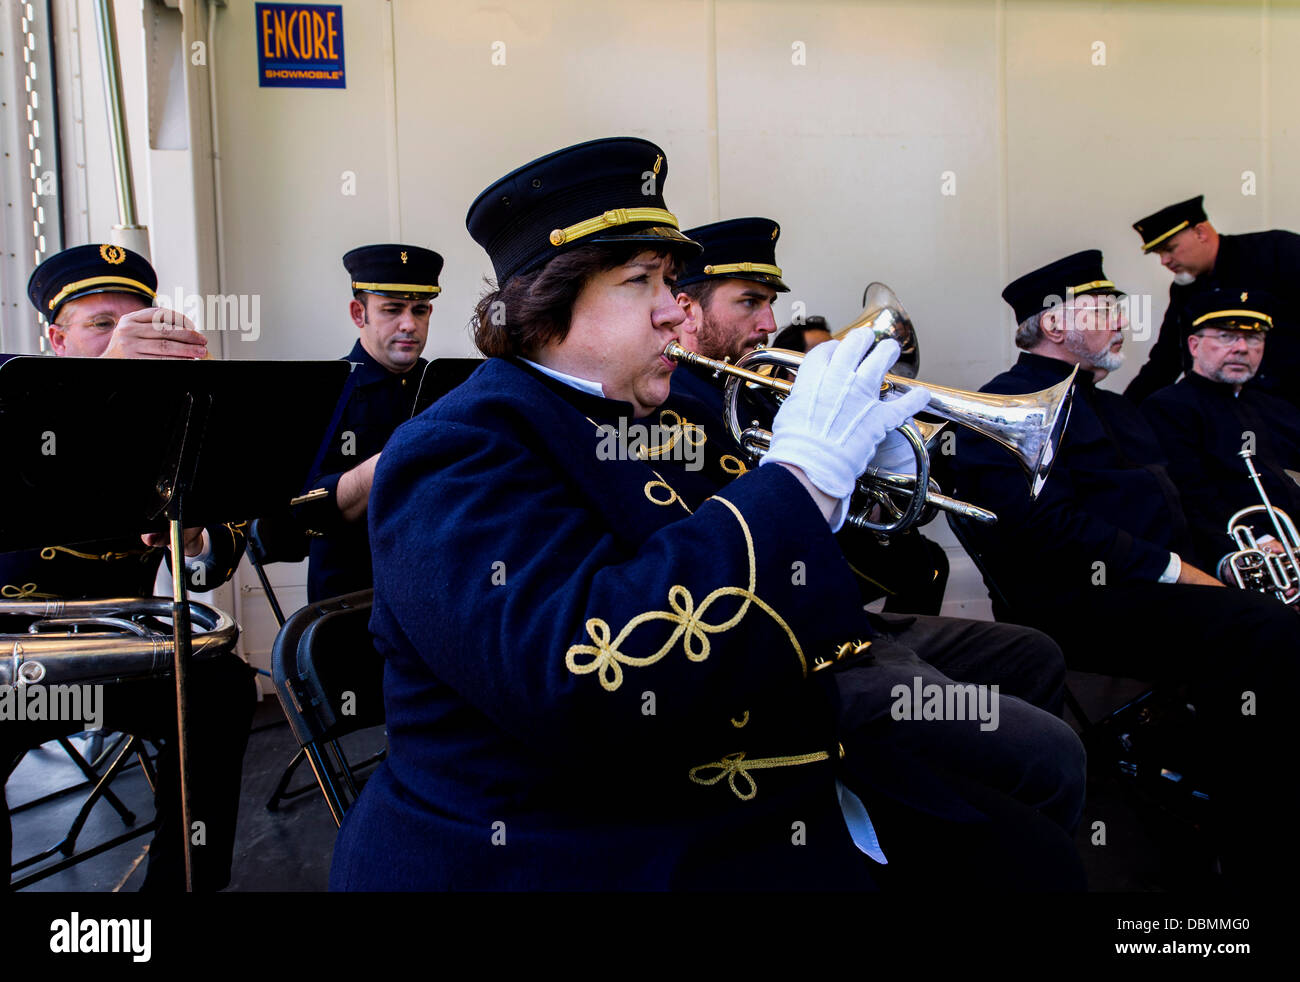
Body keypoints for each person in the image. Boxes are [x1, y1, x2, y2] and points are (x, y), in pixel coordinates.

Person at [330, 138, 1084, 892]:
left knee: (1034, 845)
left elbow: (762, 568)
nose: (673, 310)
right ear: (543, 304)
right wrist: (800, 478)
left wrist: (853, 479)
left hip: (747, 763)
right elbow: (584, 679)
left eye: (670, 280)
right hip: (574, 841)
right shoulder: (455, 447)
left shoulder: (645, 411)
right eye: (641, 282)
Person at [951, 249, 1300, 887]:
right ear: (1054, 324)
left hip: (1147, 591)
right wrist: (1174, 569)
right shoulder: (1005, 405)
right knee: (1263, 631)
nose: (1122, 320)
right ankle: (1257, 846)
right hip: (1078, 604)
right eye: (1104, 308)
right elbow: (1046, 530)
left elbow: (1172, 507)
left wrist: (1220, 560)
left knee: (1266, 617)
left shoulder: (1113, 404)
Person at [2, 243, 254, 891]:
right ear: (56, 338)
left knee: (222, 688)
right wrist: (103, 389)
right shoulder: (15, 391)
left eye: (134, 322)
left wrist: (193, 535)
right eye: (100, 325)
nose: (123, 338)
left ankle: (181, 887)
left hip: (121, 650)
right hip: (15, 657)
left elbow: (219, 557)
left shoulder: (182, 412)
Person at [673, 218, 950, 616]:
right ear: (689, 311)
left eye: (770, 304)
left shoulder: (760, 396)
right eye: (750, 302)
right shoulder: (672, 404)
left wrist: (887, 481)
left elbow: (873, 538)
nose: (769, 324)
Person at [294, 244, 443, 602]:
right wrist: (385, 466)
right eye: (392, 309)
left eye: (419, 310)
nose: (409, 324)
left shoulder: (446, 387)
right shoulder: (321, 391)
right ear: (358, 313)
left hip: (436, 591)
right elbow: (297, 515)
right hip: (352, 603)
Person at [1140, 288, 1300, 579]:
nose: (1241, 348)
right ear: (1194, 345)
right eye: (1226, 336)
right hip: (1239, 554)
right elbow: (1191, 497)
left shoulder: (1271, 405)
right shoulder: (1168, 407)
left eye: (1253, 338)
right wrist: (1263, 541)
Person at [1125, 195, 1300, 406]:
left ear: (1200, 232)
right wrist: (1125, 412)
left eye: (1169, 249)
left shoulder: (1277, 252)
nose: (1164, 261)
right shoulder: (1185, 289)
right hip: (1220, 412)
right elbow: (1168, 359)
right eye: (1158, 254)